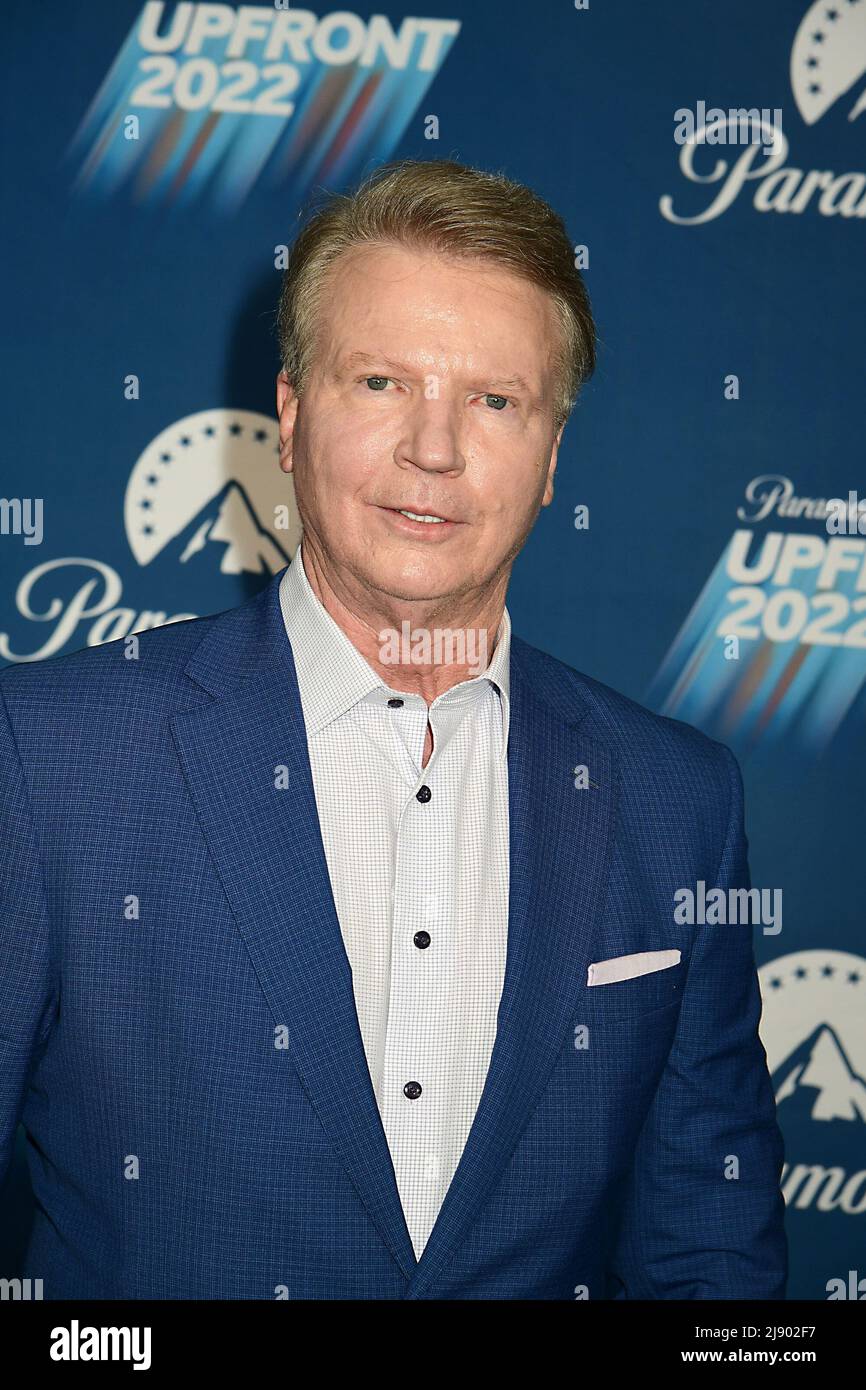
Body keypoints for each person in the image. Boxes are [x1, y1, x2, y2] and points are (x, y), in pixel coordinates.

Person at [0, 159, 787, 1299]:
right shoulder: (51, 758)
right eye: (379, 382)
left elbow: (707, 1260)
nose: (434, 447)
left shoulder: (676, 798)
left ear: (552, 450)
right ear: (288, 411)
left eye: (494, 400)